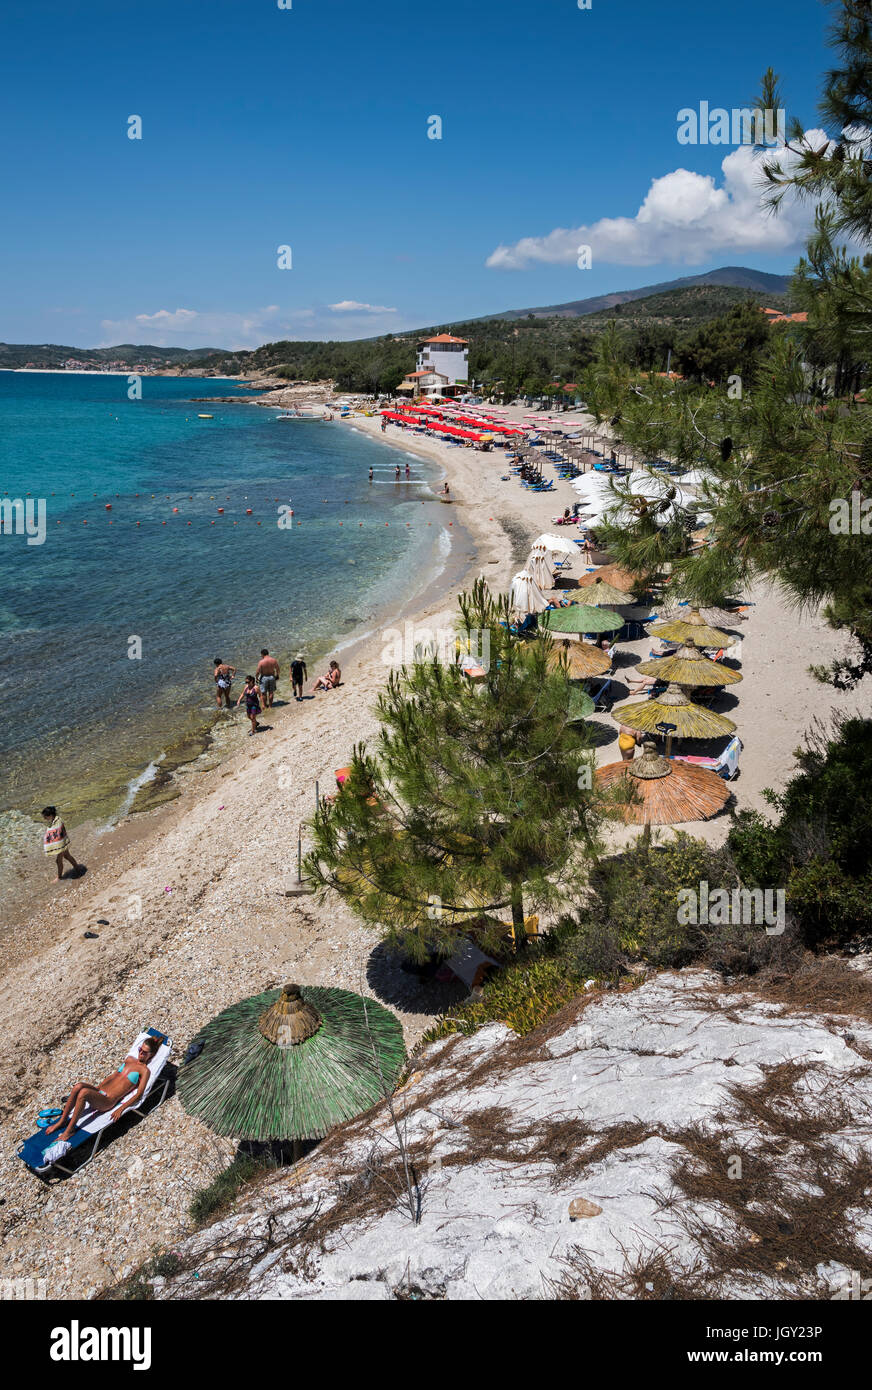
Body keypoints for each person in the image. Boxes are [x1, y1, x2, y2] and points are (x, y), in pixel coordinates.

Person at [44, 1037, 160, 1145]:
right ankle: (62, 1121)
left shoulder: (145, 1071)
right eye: (140, 1049)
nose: (140, 1053)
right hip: (100, 1092)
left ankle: (70, 1130)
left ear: (151, 1055)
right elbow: (113, 1076)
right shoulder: (129, 1059)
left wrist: (121, 1108)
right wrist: (97, 1089)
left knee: (84, 1093)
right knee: (78, 1086)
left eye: (144, 1052)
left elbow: (139, 1094)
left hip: (108, 1100)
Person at [41, 807, 79, 882]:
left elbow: (57, 834)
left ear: (51, 815)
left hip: (61, 844)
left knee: (58, 861)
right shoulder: (57, 820)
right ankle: (77, 868)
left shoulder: (57, 822)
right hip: (63, 842)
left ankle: (59, 877)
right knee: (67, 856)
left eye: (45, 816)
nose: (45, 818)